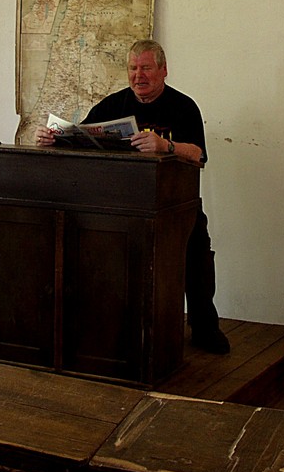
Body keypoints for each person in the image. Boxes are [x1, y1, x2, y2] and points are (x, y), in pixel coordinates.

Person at [35, 39, 230, 354]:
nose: (139, 75)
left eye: (147, 68)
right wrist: (53, 140)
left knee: (197, 266)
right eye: (133, 68)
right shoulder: (112, 106)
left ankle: (205, 328)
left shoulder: (184, 106)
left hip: (177, 207)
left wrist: (165, 146)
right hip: (124, 208)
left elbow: (198, 155)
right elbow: (80, 138)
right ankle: (120, 331)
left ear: (163, 71)